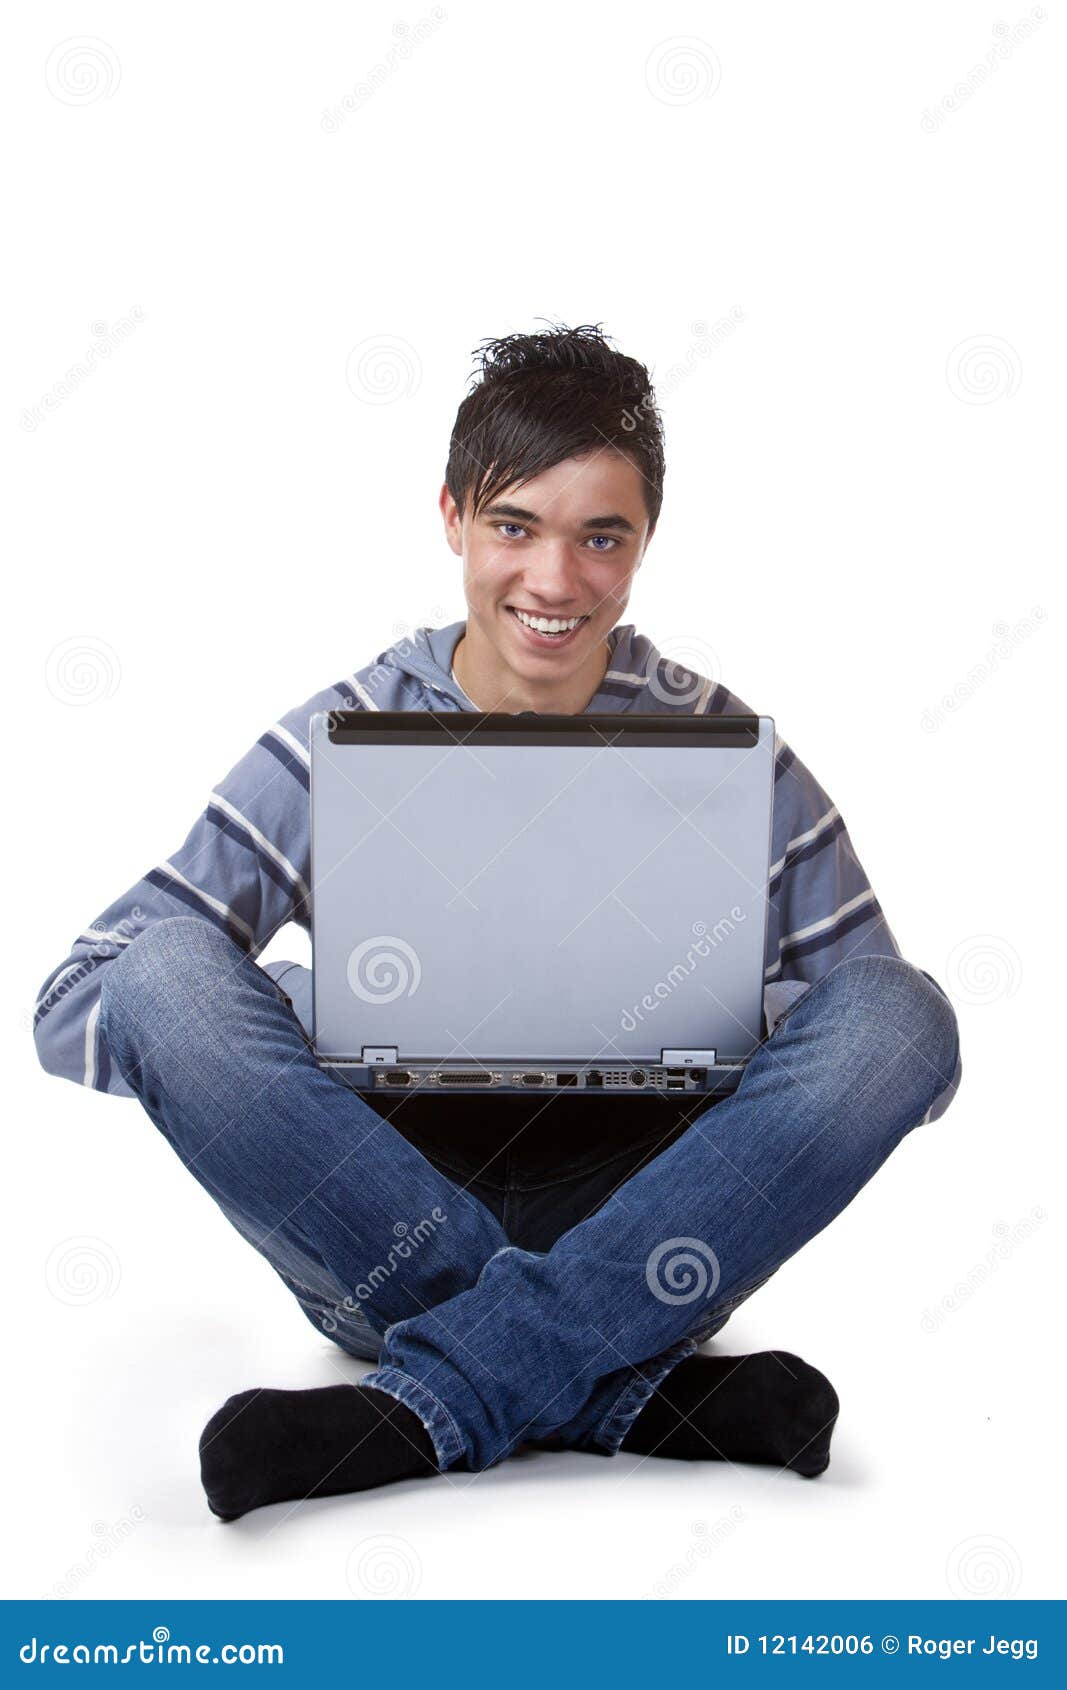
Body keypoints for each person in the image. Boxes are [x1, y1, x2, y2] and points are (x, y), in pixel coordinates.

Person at [33, 323, 962, 1521]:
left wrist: (721, 1014)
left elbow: (887, 1057)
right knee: (166, 973)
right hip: (385, 1224)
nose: (553, 580)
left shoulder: (729, 753)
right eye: (515, 526)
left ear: (640, 551)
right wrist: (320, 1015)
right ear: (454, 519)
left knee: (908, 1014)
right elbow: (80, 999)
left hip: (651, 1215)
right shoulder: (339, 735)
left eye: (600, 537)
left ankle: (435, 1398)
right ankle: (613, 1386)